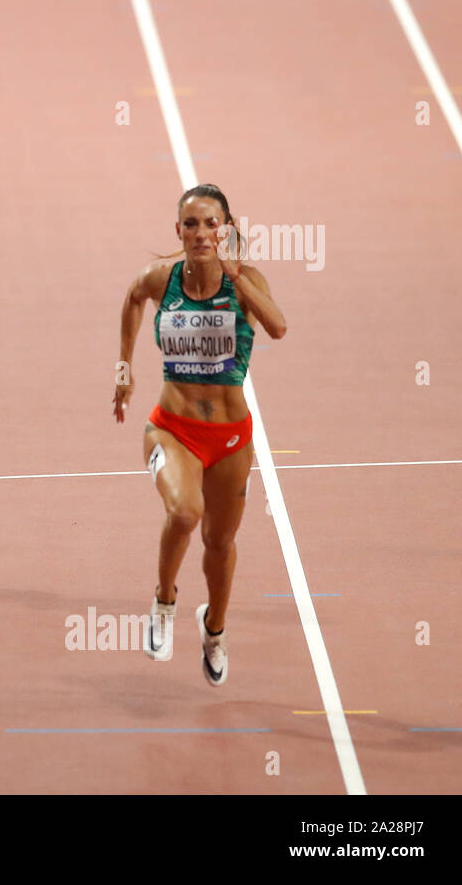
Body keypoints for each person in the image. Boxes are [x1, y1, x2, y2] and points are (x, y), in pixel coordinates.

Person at [113, 185, 287, 684]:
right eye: (191, 224)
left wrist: (237, 276)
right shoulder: (161, 279)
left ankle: (213, 628)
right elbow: (132, 296)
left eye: (211, 224)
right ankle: (164, 601)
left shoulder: (246, 281)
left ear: (226, 229)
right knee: (185, 513)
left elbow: (278, 327)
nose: (201, 233)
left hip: (231, 438)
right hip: (172, 429)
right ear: (178, 231)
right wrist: (123, 367)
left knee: (220, 541)